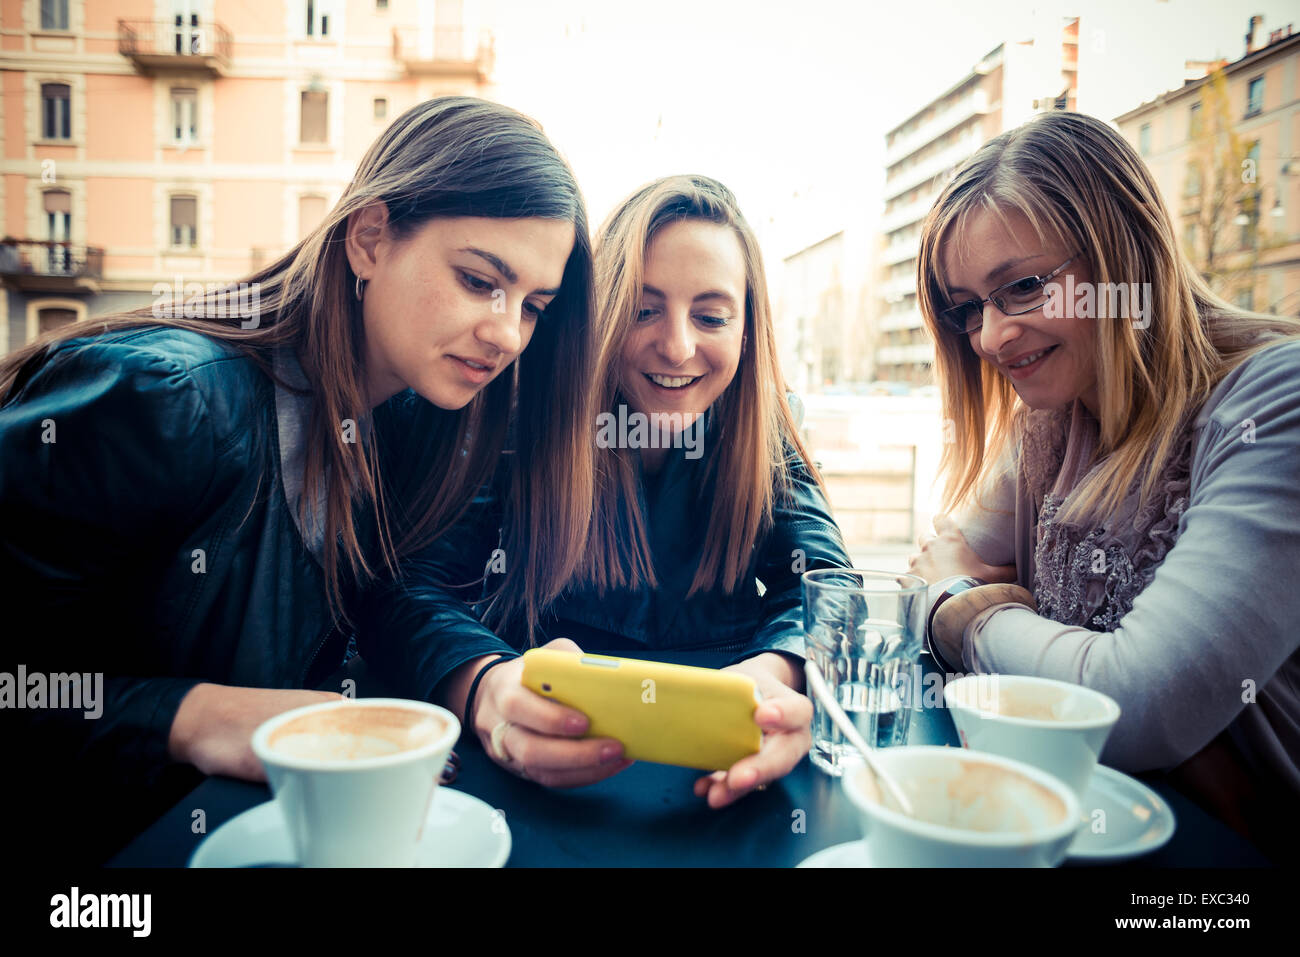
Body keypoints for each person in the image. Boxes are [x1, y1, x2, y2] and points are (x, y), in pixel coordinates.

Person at [0, 96, 597, 863]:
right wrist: (197, 716)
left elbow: (399, 596)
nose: (506, 332)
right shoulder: (167, 399)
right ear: (371, 238)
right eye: (481, 280)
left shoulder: (415, 423)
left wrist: (488, 684)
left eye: (533, 307)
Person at [360, 175, 852, 807]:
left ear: (747, 331)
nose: (677, 346)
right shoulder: (515, 414)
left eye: (712, 316)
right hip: (544, 754)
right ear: (602, 312)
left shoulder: (764, 427)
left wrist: (774, 673)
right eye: (644, 310)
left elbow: (828, 583)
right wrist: (486, 687)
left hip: (735, 762)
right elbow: (407, 593)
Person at [906, 110, 1300, 855]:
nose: (988, 337)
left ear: (1125, 257)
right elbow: (936, 559)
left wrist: (969, 613)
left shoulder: (1276, 402)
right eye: (969, 309)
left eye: (1021, 286)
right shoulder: (1052, 417)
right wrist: (970, 599)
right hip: (1080, 829)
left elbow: (1139, 700)